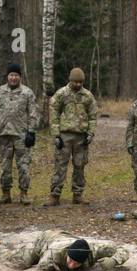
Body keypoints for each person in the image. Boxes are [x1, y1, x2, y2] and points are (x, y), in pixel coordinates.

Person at [0, 230, 129, 271]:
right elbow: (42, 268)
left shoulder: (95, 250)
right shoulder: (54, 254)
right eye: (70, 259)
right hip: (45, 241)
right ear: (67, 253)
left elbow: (123, 249)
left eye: (76, 263)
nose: (71, 263)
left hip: (65, 237)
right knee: (19, 263)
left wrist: (114, 260)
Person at [0, 64, 38, 206]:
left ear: (20, 77)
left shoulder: (27, 93)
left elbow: (33, 114)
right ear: (7, 76)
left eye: (16, 75)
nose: (13, 78)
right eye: (11, 75)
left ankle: (24, 194)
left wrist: (32, 132)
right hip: (4, 135)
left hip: (21, 136)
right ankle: (6, 194)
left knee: (23, 166)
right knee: (5, 167)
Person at [49, 68, 97, 205]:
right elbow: (54, 114)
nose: (78, 84)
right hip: (64, 136)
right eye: (75, 82)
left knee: (80, 166)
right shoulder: (61, 94)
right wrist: (56, 135)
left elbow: (93, 116)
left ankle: (78, 194)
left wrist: (90, 133)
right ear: (70, 80)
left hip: (81, 137)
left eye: (80, 82)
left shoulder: (87, 96)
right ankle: (54, 195)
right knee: (60, 165)